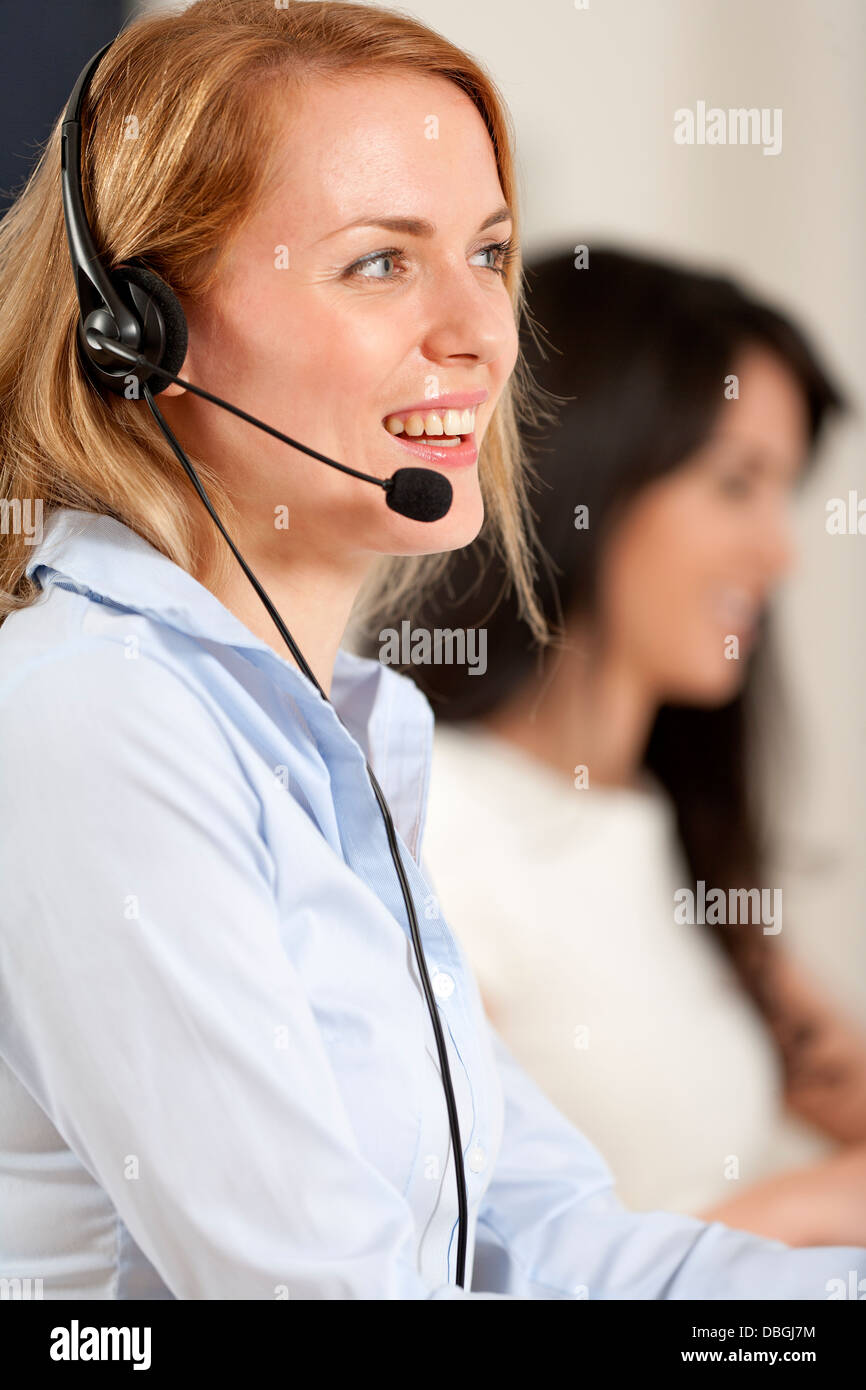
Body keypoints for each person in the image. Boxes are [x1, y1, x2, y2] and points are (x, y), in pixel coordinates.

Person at [0, 0, 863, 1300]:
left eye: (489, 251)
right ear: (147, 331)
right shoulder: (95, 715)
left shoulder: (345, 736)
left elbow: (549, 1239)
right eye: (378, 263)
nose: (480, 330)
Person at [404, 246, 866, 1247]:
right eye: (735, 482)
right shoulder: (435, 823)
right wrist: (798, 1217)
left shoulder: (656, 826)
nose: (778, 549)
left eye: (784, 489)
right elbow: (447, 1264)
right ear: (594, 472)